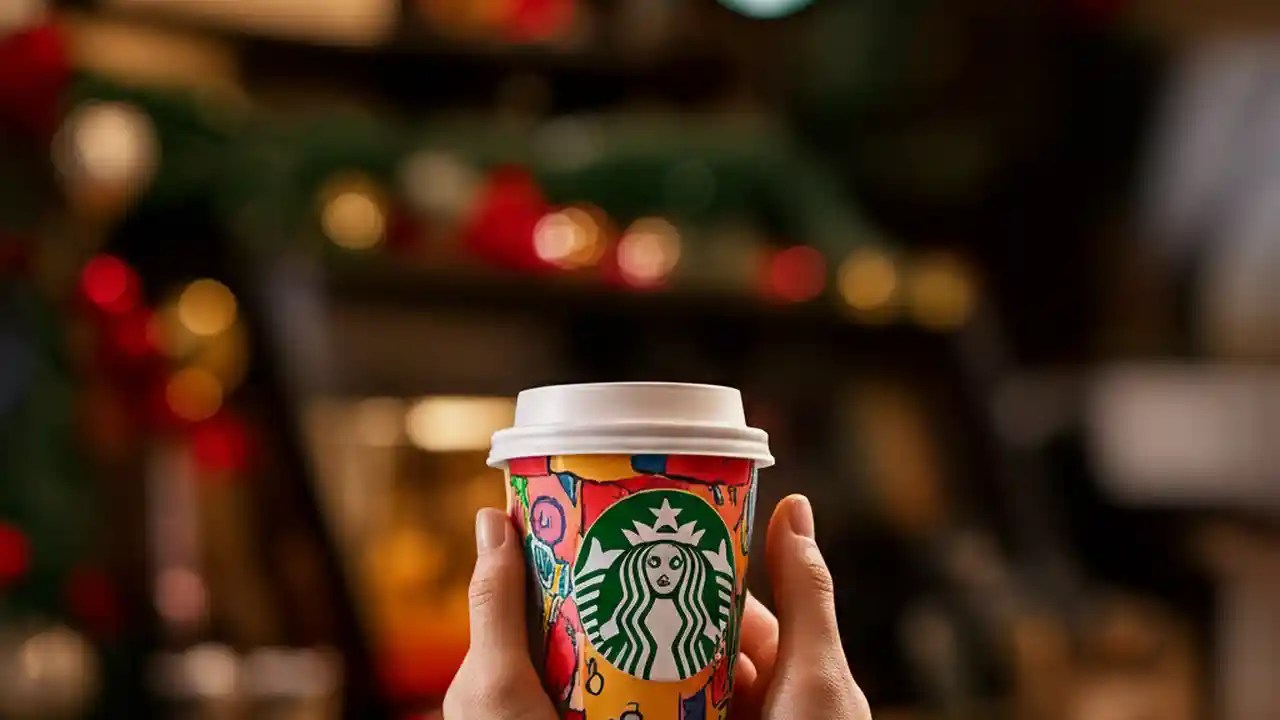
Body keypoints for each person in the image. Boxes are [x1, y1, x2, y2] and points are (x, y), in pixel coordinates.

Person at [443, 494, 873, 720]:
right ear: (634, 569)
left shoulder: (693, 631)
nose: (663, 572)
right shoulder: (627, 629)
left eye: (674, 562)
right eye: (652, 561)